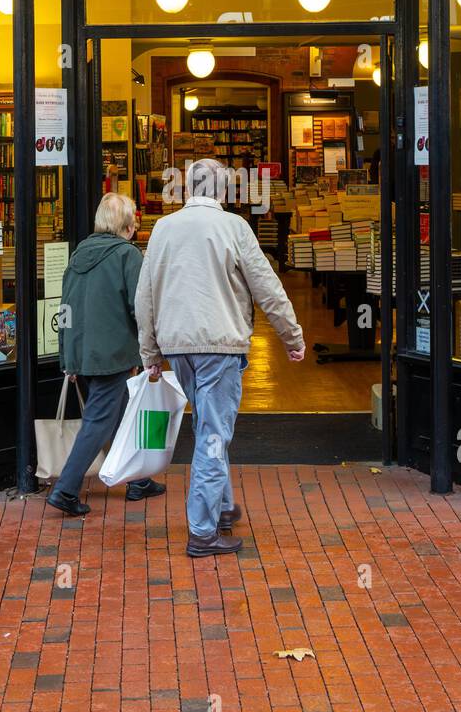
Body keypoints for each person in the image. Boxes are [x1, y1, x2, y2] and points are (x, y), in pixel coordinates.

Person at [136, 159, 306, 558]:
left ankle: (223, 508)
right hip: (219, 346)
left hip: (179, 345)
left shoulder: (163, 228)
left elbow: (144, 296)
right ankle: (202, 531)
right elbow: (267, 287)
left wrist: (150, 352)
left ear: (187, 188)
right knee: (214, 433)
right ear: (224, 191)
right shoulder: (234, 227)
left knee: (211, 427)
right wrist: (291, 335)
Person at [49, 193, 164, 516]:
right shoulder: (128, 256)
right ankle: (66, 488)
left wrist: (68, 357)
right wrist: (151, 350)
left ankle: (138, 479)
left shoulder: (78, 255)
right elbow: (140, 307)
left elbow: (66, 309)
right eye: (134, 224)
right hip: (113, 353)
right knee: (99, 420)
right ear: (127, 226)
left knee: (124, 414)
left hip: (84, 351)